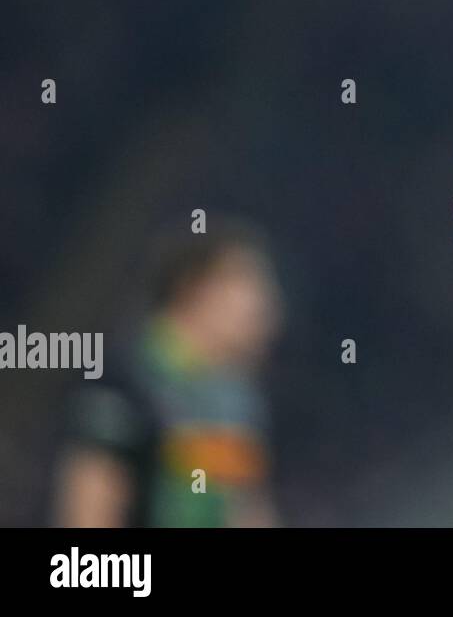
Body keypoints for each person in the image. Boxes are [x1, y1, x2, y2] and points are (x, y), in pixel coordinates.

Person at [54, 223, 282, 527]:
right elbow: (88, 508)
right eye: (250, 287)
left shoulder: (237, 400)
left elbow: (245, 510)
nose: (268, 308)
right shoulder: (124, 379)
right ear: (194, 288)